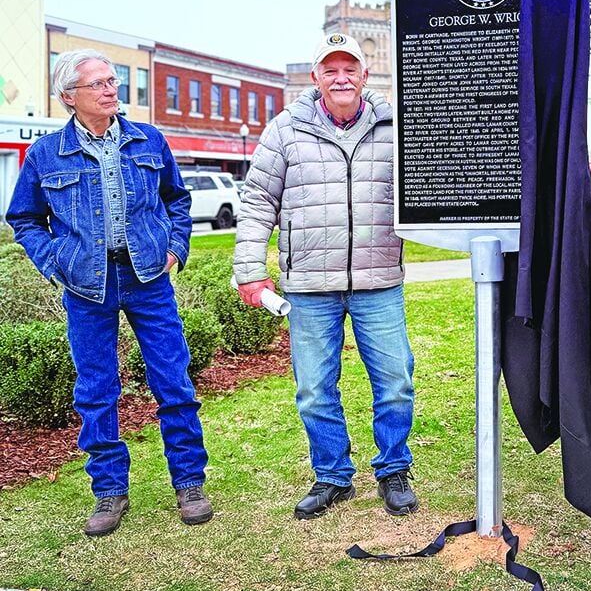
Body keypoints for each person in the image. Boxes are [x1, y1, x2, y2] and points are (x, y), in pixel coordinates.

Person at [6, 50, 212, 537]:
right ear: (68, 98)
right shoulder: (45, 154)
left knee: (173, 382)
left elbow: (176, 201)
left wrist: (175, 249)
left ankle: (189, 483)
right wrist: (55, 264)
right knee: (96, 391)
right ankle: (109, 492)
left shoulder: (149, 140)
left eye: (112, 81)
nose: (110, 90)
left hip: (148, 280)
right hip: (86, 288)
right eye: (97, 83)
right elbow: (26, 219)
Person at [234, 33, 418, 519]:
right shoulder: (284, 129)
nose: (341, 78)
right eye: (330, 69)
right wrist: (251, 271)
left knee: (396, 380)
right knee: (315, 388)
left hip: (379, 279)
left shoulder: (394, 124)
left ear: (364, 75)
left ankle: (393, 467)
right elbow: (256, 202)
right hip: (309, 284)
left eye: (350, 69)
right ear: (316, 78)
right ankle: (332, 474)